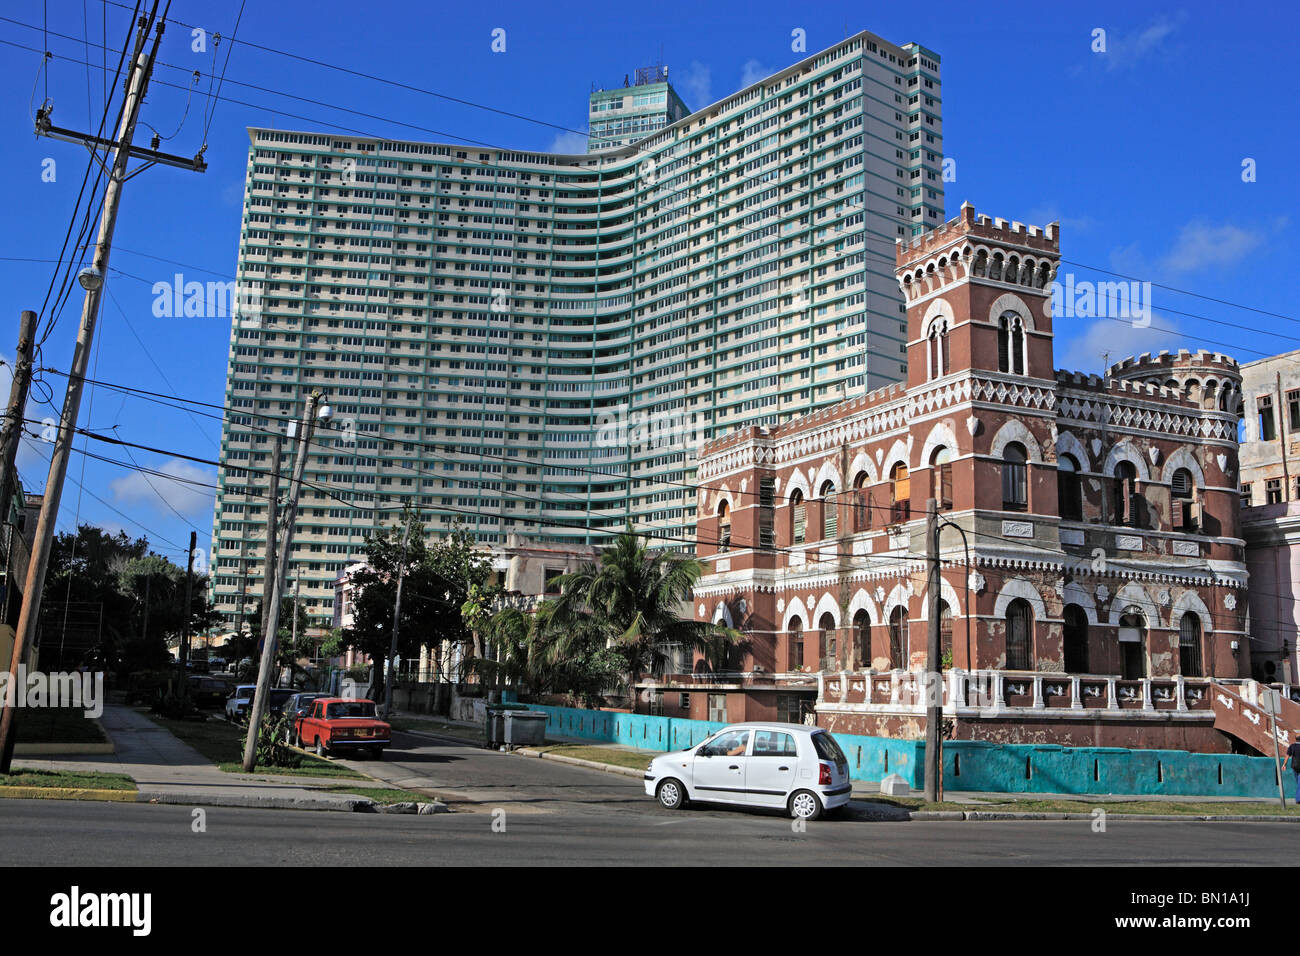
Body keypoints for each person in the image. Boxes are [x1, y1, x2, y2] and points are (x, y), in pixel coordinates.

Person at [1288, 731, 1300, 803]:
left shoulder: (1292, 746)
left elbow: (1287, 755)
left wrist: (1284, 764)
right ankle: (1298, 799)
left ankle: (1298, 799)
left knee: (1298, 782)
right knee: (1299, 783)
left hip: (1294, 766)